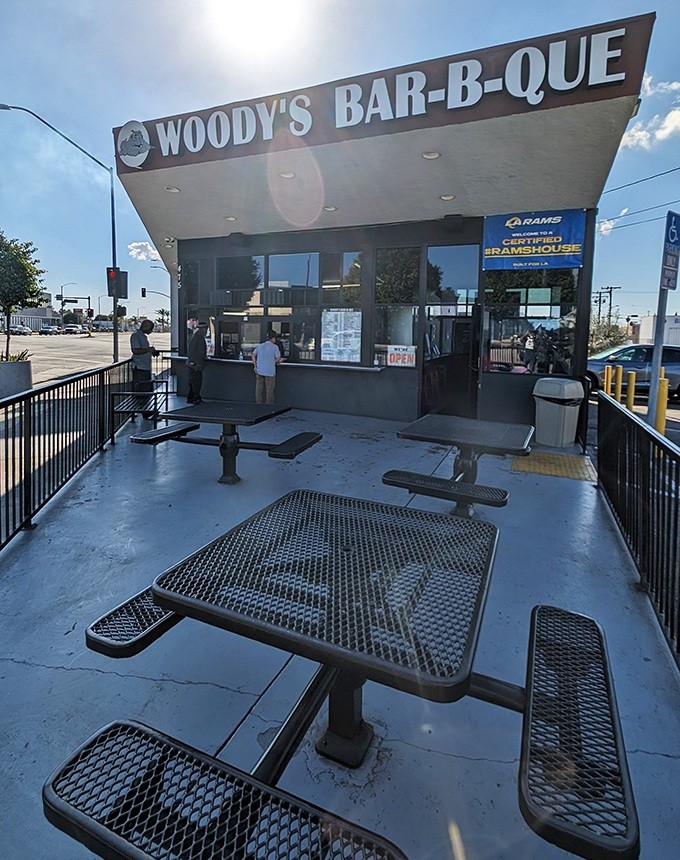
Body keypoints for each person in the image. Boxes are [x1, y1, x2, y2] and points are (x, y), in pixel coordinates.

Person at [252, 330, 282, 404]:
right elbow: (278, 359)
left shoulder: (260, 346)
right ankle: (268, 406)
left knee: (259, 389)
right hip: (270, 372)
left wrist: (255, 366)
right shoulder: (275, 347)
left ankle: (258, 403)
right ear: (273, 338)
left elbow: (253, 355)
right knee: (269, 390)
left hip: (260, 371)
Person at [130, 319, 160, 393]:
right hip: (140, 367)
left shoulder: (143, 336)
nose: (151, 330)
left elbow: (144, 350)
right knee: (142, 389)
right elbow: (135, 350)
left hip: (145, 367)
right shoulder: (136, 335)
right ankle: (140, 403)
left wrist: (151, 351)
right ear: (146, 326)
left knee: (147, 388)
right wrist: (149, 350)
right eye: (150, 328)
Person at [187, 321, 208, 404]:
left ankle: (191, 397)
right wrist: (193, 363)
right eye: (205, 329)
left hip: (196, 364)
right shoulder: (197, 337)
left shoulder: (198, 336)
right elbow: (191, 350)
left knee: (193, 382)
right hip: (195, 365)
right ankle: (196, 398)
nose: (206, 331)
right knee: (196, 382)